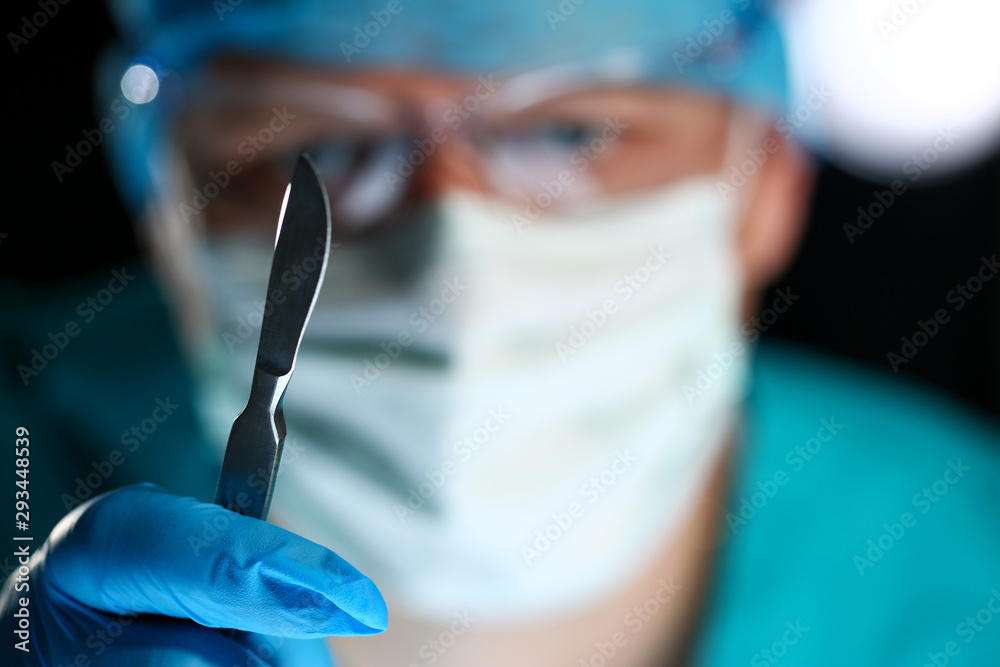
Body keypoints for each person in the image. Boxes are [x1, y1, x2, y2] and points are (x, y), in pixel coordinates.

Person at [3, 1, 999, 665]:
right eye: (327, 144)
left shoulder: (959, 560)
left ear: (768, 181)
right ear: (166, 200)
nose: (452, 247)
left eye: (572, 131)